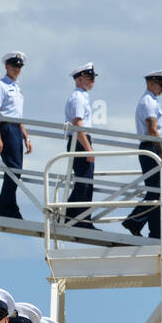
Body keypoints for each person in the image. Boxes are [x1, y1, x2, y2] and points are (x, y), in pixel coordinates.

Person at [123, 70, 162, 239]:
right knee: (157, 190)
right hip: (152, 147)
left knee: (158, 190)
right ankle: (135, 221)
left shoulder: (152, 100)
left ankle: (156, 232)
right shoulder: (148, 102)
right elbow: (152, 129)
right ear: (151, 83)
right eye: (160, 84)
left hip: (152, 146)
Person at [0, 52, 32, 219]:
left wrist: (26, 137)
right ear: (6, 66)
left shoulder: (18, 88)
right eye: (14, 65)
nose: (16, 69)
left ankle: (9, 206)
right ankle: (3, 206)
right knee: (14, 169)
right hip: (6, 127)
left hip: (16, 128)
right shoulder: (0, 86)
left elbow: (19, 116)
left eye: (19, 66)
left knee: (16, 170)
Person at [64, 63, 98, 228]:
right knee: (83, 182)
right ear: (79, 79)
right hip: (80, 142)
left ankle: (77, 217)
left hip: (81, 140)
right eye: (89, 77)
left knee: (85, 181)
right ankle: (78, 219)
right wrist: (88, 148)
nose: (92, 81)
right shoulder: (78, 97)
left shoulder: (82, 96)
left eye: (92, 78)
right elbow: (77, 124)